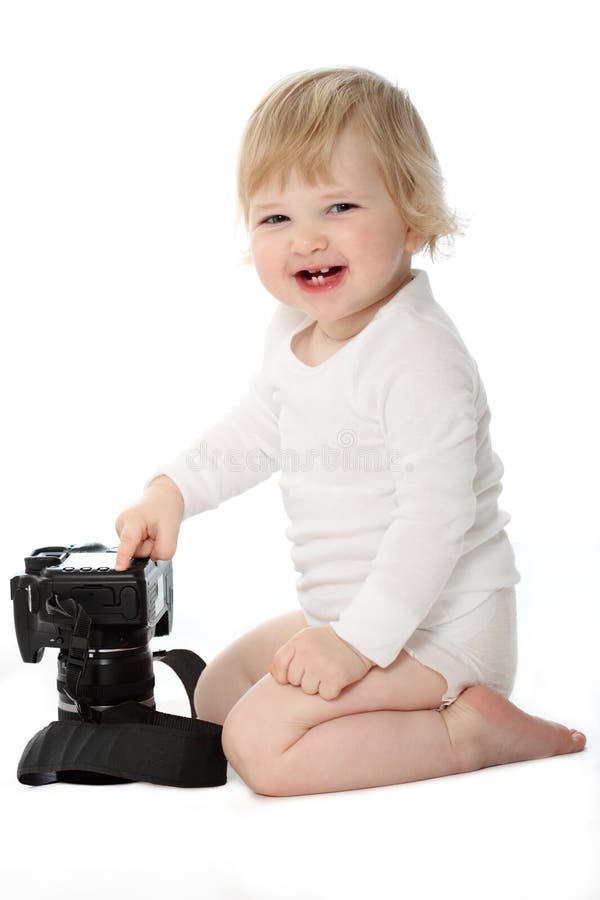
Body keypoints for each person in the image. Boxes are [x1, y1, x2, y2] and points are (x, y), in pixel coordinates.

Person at [114, 66, 586, 796]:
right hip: (352, 618)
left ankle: (468, 732)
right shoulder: (294, 332)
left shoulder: (417, 356)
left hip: (443, 635)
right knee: (219, 695)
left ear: (413, 217)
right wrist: (172, 489)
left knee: (259, 745)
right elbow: (255, 429)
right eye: (276, 218)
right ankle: (382, 710)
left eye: (338, 206)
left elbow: (434, 520)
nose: (306, 239)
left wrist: (354, 644)